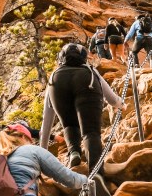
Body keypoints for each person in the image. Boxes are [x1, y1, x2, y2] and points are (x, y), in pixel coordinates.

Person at [40, 43, 123, 181]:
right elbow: (112, 99)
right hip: (86, 80)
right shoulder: (89, 70)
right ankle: (96, 174)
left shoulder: (54, 76)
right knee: (90, 132)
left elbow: (47, 119)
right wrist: (121, 105)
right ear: (83, 57)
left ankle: (74, 152)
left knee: (68, 124)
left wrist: (42, 152)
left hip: (59, 83)